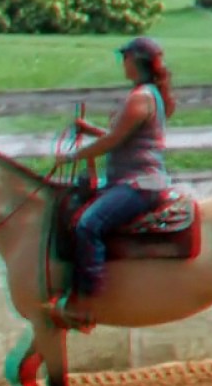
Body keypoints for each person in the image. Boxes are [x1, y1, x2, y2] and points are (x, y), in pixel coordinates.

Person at [46, 36, 177, 332]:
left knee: (88, 224)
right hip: (132, 181)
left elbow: (114, 139)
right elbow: (122, 134)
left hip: (139, 184)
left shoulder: (141, 96)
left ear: (136, 61)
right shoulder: (148, 94)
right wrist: (89, 130)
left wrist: (73, 157)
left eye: (126, 58)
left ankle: (86, 303)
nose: (123, 64)